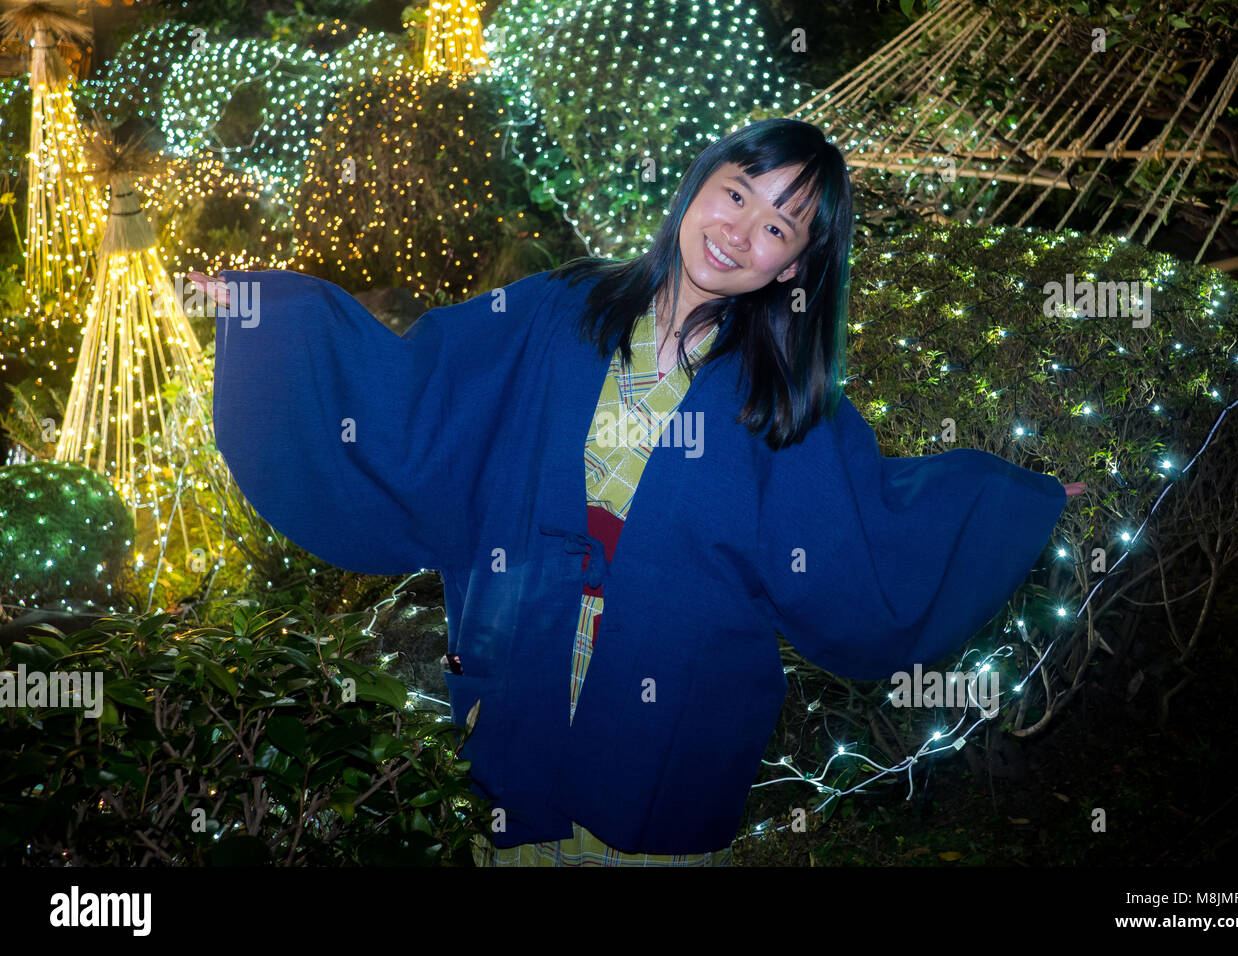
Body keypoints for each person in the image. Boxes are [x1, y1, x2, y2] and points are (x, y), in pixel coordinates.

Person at [195, 117, 1083, 867]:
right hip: (523, 676)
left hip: (678, 719)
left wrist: (1009, 504)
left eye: (780, 227)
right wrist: (269, 320)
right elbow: (414, 388)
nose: (742, 231)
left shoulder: (785, 401)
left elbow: (866, 524)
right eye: (738, 193)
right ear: (699, 187)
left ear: (792, 270)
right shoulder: (559, 309)